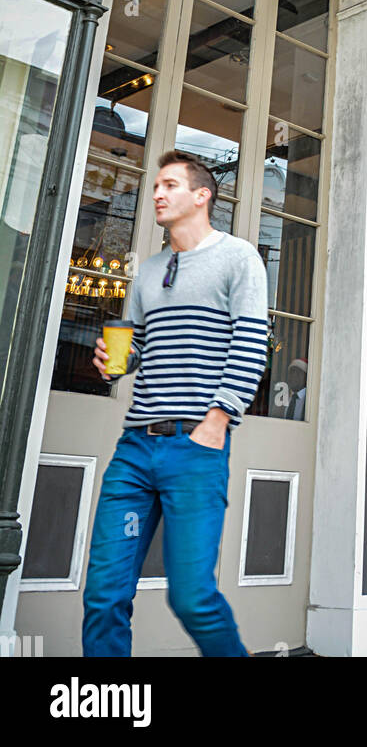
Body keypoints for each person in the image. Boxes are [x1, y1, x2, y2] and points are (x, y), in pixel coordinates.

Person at [82, 150, 269, 657]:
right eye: (156, 186)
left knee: (191, 598)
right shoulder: (148, 271)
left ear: (201, 195)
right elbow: (140, 346)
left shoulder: (238, 257)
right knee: (104, 594)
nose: (157, 194)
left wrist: (217, 420)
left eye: (169, 185)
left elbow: (250, 344)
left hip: (195, 448)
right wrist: (114, 360)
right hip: (135, 449)